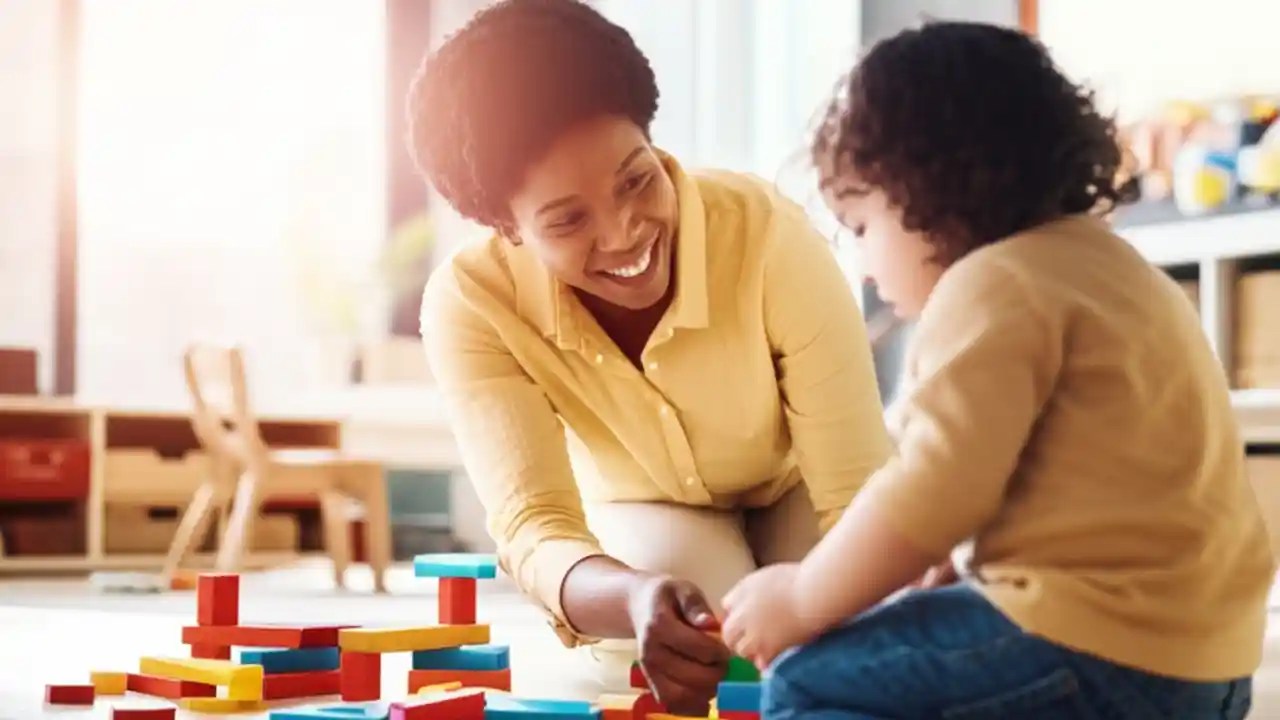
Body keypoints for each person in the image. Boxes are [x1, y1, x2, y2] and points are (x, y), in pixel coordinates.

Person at [721, 21, 1275, 720]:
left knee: (807, 681)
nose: (863, 267)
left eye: (862, 226)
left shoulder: (992, 285)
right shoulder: (1117, 271)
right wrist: (944, 568)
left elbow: (928, 491)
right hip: (1210, 666)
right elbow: (1064, 488)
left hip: (1096, 646)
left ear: (925, 189)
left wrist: (803, 597)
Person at [405, 0, 891, 712]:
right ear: (505, 227)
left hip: (801, 486)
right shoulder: (473, 302)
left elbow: (855, 495)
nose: (625, 234)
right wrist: (632, 598)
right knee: (688, 636)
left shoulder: (768, 236)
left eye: (637, 179)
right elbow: (536, 525)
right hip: (647, 508)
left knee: (833, 637)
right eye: (568, 220)